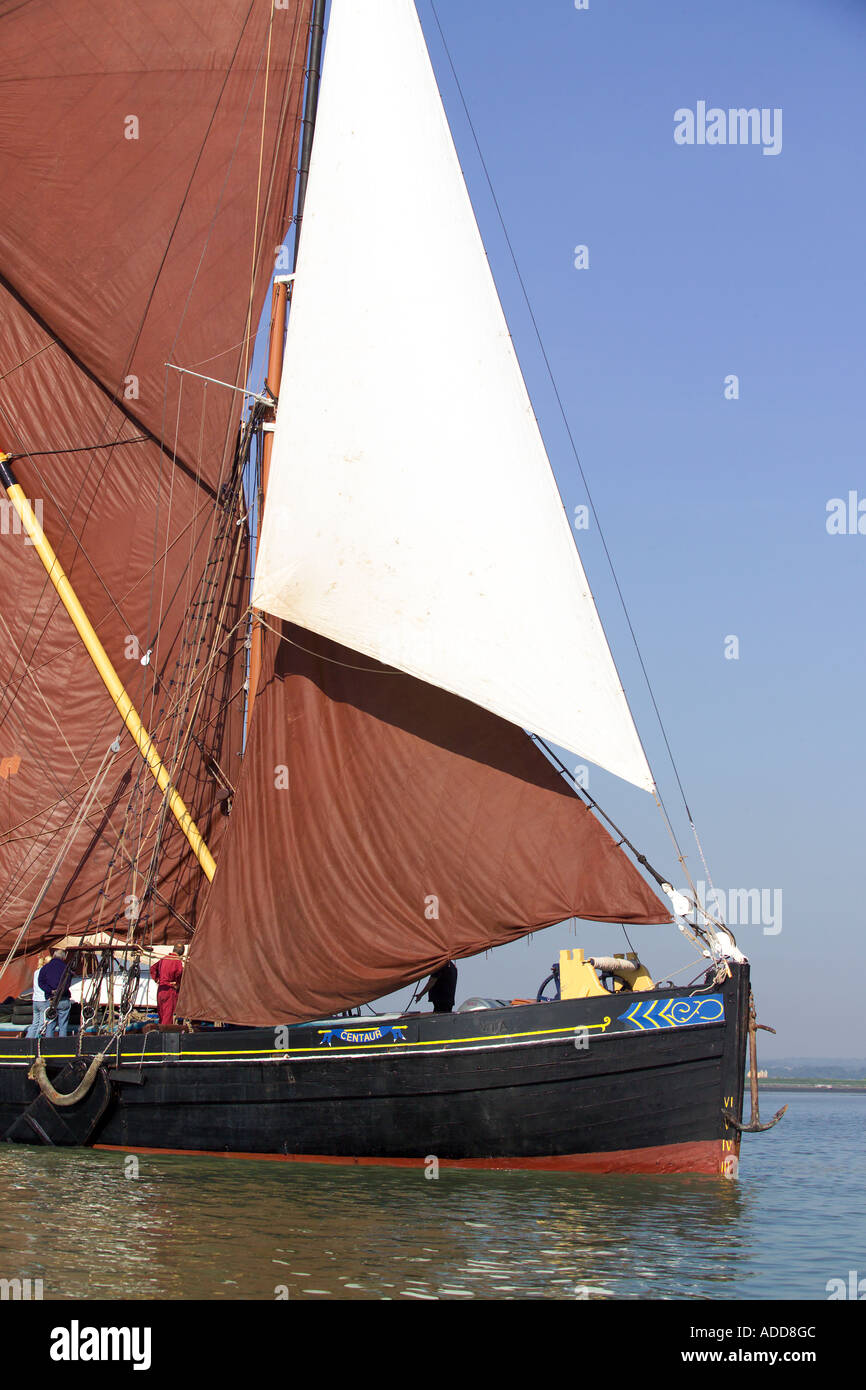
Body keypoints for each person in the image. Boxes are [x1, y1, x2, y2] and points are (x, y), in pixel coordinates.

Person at [38, 949, 72, 1037]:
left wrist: (50, 991)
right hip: (63, 999)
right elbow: (67, 983)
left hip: (50, 1000)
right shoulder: (66, 968)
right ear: (64, 958)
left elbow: (41, 982)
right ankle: (62, 1047)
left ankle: (49, 1048)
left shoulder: (45, 968)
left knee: (50, 1024)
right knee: (63, 1026)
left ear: (53, 956)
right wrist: (59, 991)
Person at [150, 946, 184, 1027]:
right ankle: (164, 1036)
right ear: (182, 953)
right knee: (167, 1017)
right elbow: (179, 973)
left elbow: (152, 969)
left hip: (161, 989)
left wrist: (157, 979)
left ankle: (160, 1035)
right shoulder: (177, 961)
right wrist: (177, 984)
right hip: (170, 990)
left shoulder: (163, 959)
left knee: (161, 1014)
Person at [24, 954, 50, 1038]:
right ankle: (36, 1042)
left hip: (35, 1000)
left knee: (35, 1023)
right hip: (43, 1000)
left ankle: (28, 1041)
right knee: (42, 1023)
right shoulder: (46, 972)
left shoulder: (36, 972)